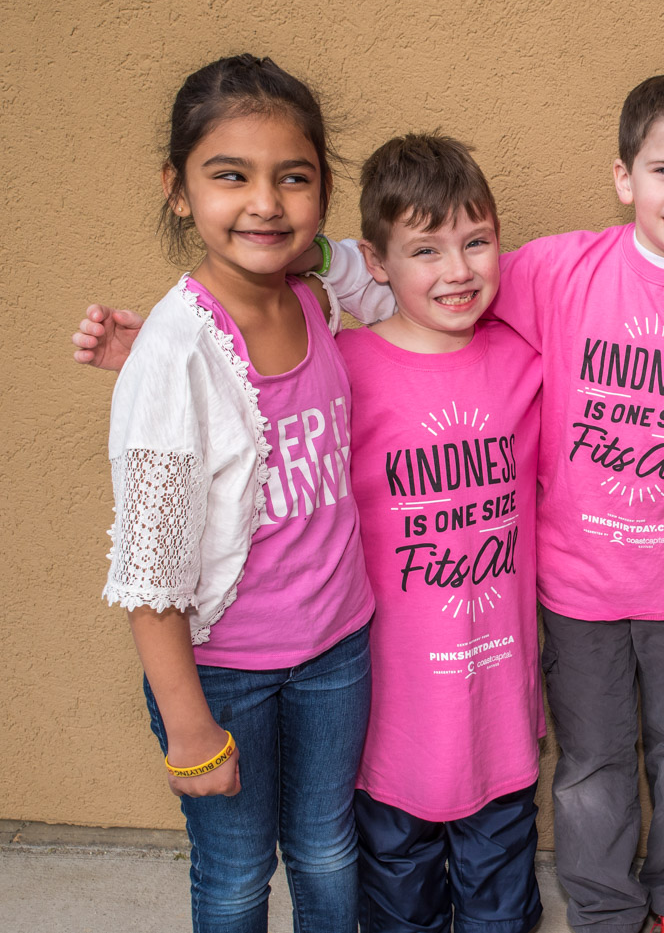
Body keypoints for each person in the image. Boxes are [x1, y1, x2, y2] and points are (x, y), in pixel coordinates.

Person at [78, 70, 664, 933]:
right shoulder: (370, 354)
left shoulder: (532, 354)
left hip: (561, 659)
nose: (458, 269)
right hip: (394, 672)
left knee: (634, 783)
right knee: (291, 862)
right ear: (624, 176)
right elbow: (284, 356)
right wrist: (166, 356)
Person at [99, 54, 374, 932]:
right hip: (226, 679)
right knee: (237, 867)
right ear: (179, 190)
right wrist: (189, 729)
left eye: (294, 178)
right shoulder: (175, 354)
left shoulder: (317, 292)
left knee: (331, 846)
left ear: (322, 191)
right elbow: (148, 571)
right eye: (231, 176)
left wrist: (317, 246)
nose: (266, 202)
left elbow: (378, 267)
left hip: (337, 650)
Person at [339, 134, 545, 932]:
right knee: (400, 907)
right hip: (391, 721)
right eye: (425, 249)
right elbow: (250, 388)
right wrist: (148, 347)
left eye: (476, 241)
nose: (458, 270)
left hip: (498, 713)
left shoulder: (524, 356)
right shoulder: (345, 364)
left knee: (500, 906)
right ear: (377, 261)